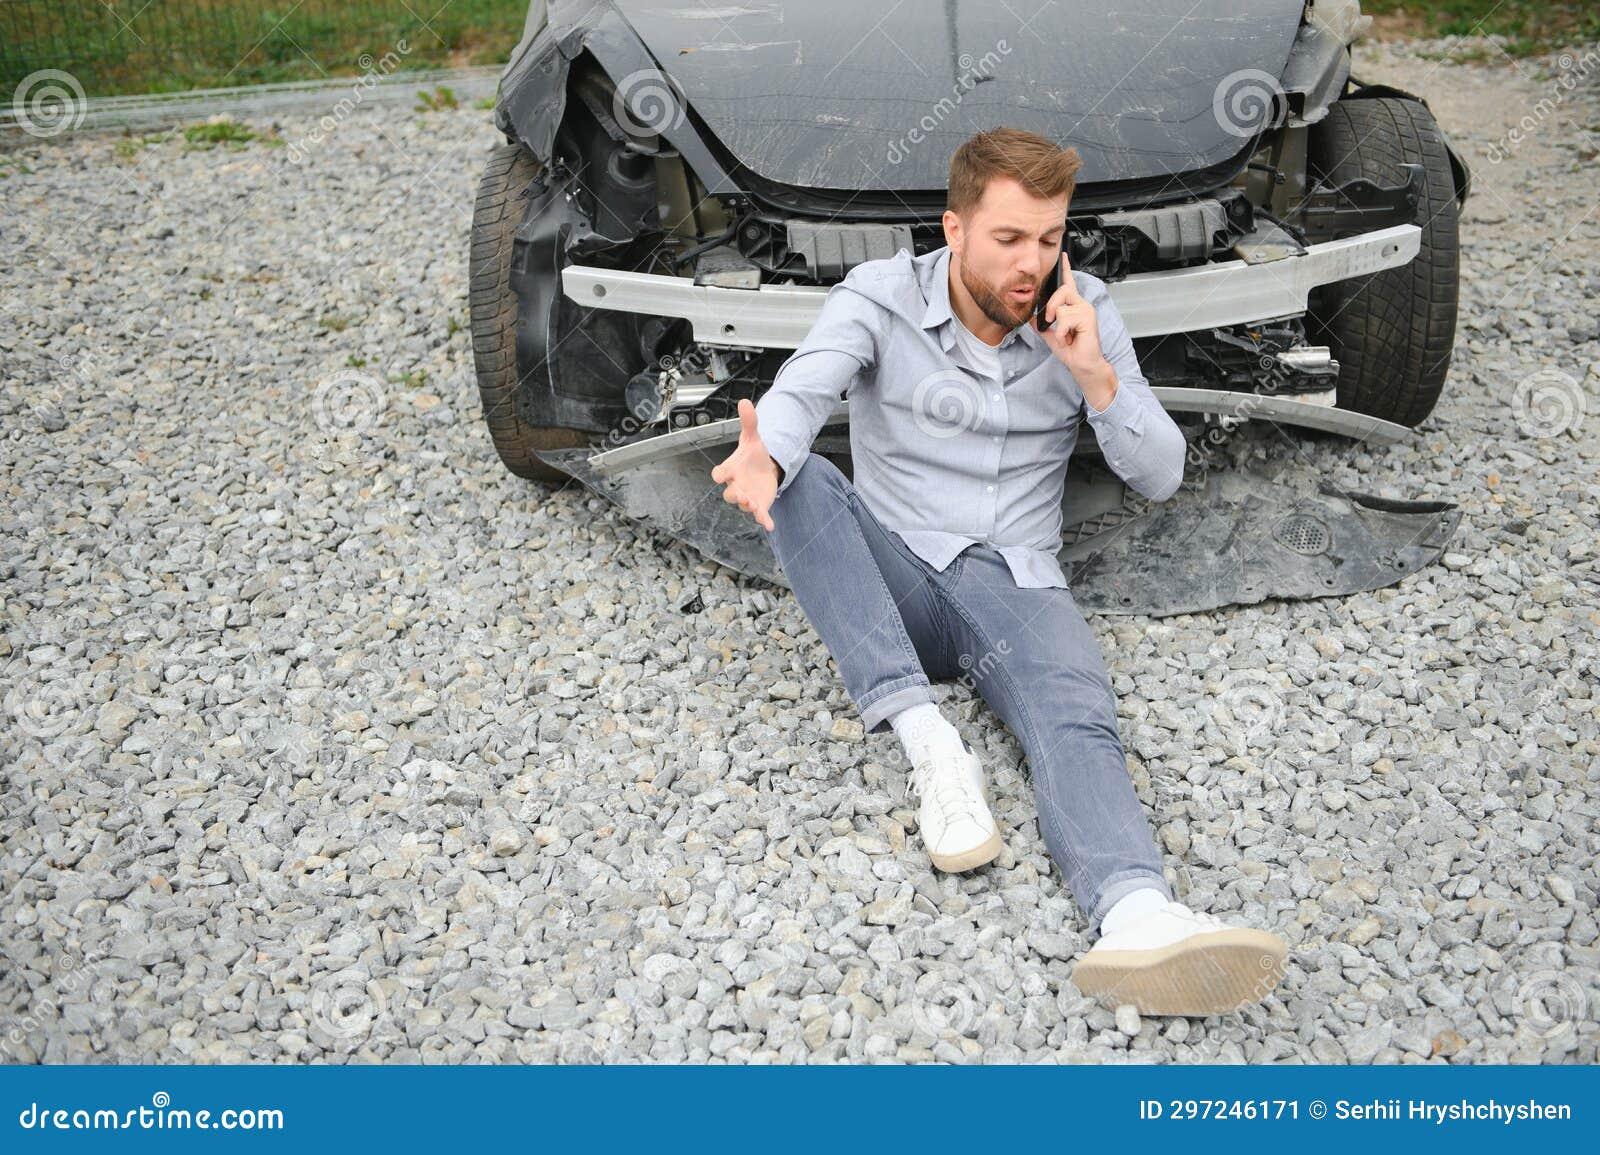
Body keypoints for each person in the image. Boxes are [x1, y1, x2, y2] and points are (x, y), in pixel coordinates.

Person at [710, 127, 1286, 1016]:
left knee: (1078, 717)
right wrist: (765, 457)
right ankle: (927, 740)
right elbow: (805, 388)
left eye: (1049, 240)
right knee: (800, 477)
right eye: (1009, 239)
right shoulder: (880, 296)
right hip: (893, 582)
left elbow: (1163, 474)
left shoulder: (1083, 313)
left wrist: (1094, 374)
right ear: (954, 229)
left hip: (1017, 581)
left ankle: (1136, 915)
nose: (1032, 262)